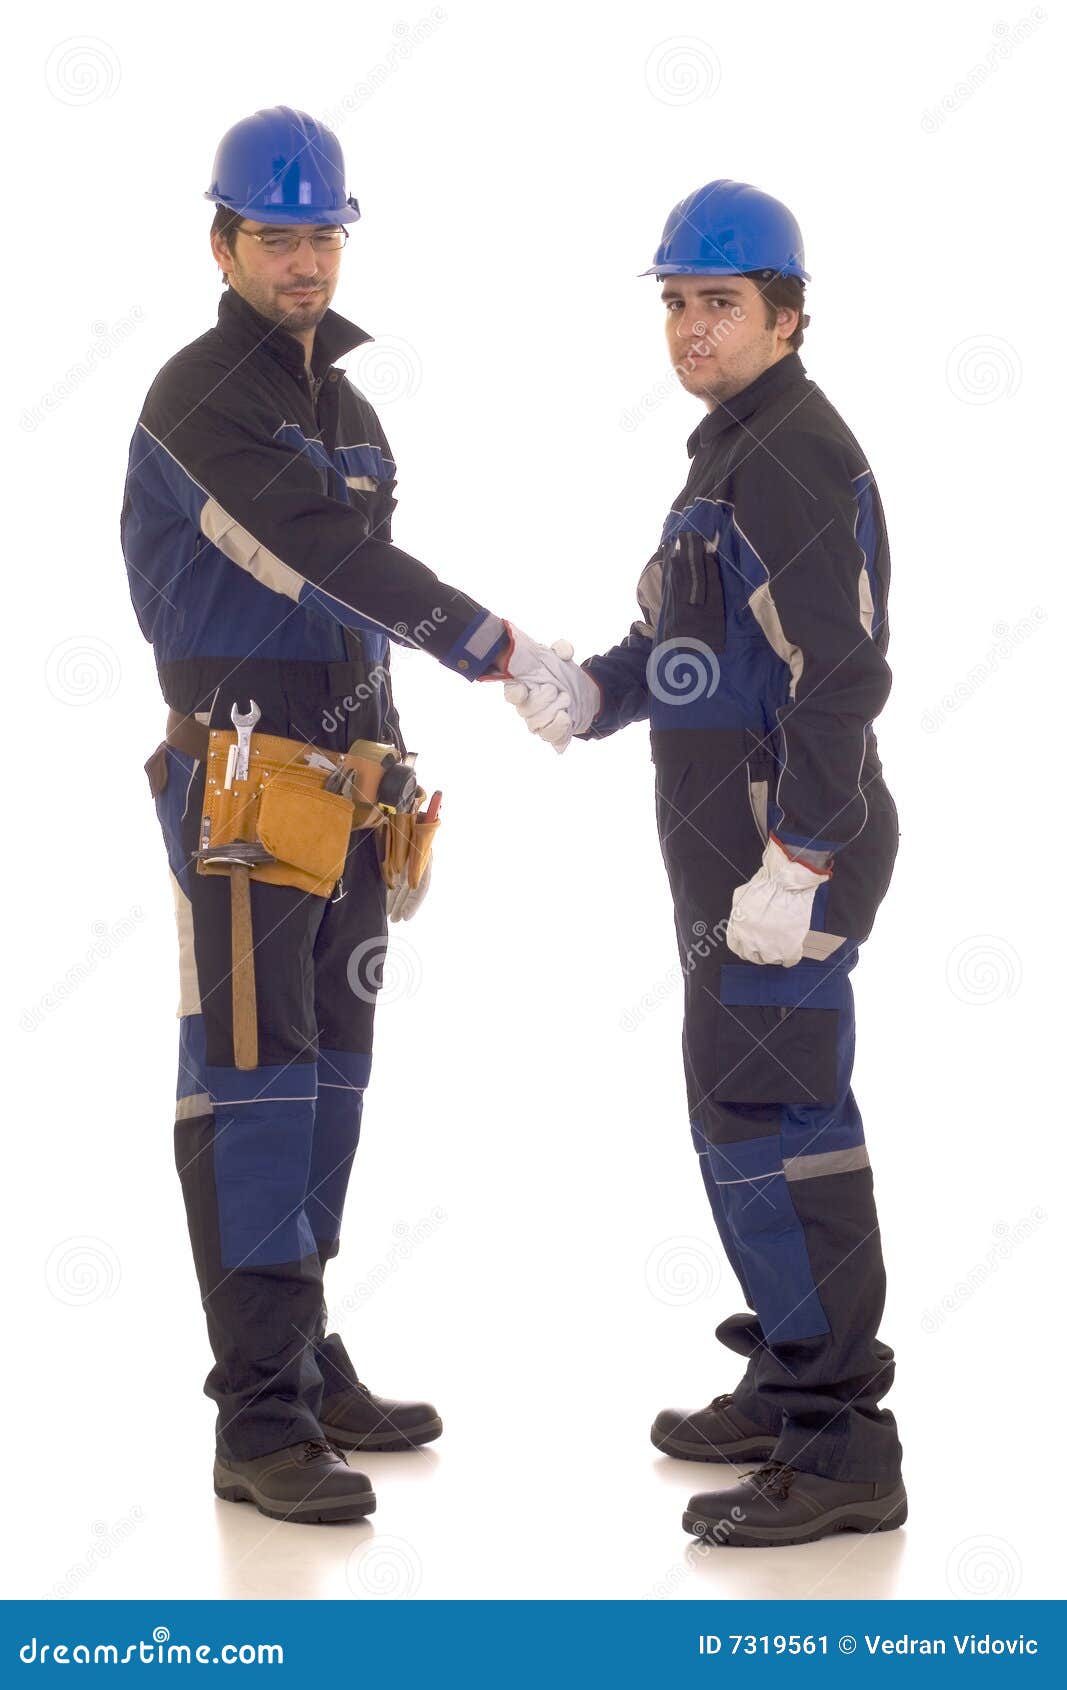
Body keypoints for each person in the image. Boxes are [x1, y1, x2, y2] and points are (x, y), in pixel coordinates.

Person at [121, 105, 586, 1525]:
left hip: (344, 798)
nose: (304, 258)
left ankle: (306, 1358)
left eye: (322, 232)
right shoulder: (200, 401)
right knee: (254, 1081)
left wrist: (391, 761)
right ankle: (255, 1418)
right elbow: (322, 563)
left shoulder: (351, 409)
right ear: (224, 242)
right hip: (246, 795)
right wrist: (499, 644)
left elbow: (357, 616)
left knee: (329, 1081)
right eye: (276, 234)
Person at [505, 180, 906, 1547]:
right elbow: (699, 650)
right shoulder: (726, 453)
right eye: (675, 302)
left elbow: (841, 675)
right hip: (730, 860)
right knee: (741, 1124)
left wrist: (798, 855)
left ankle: (842, 1439)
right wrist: (592, 692)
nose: (690, 327)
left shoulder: (789, 451)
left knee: (787, 1140)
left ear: (788, 316)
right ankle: (786, 1374)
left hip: (787, 855)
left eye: (720, 303)